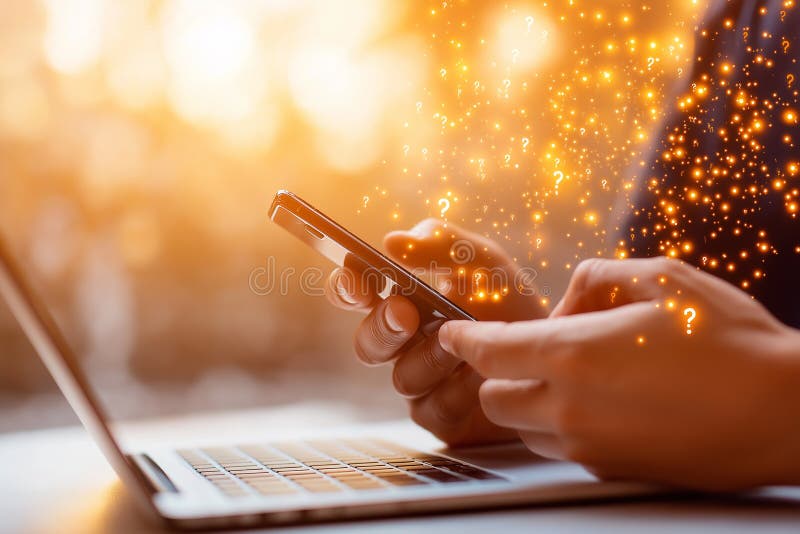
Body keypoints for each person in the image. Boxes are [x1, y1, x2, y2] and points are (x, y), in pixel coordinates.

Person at [325, 0, 800, 491]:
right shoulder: (744, 19)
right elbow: (651, 326)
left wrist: (777, 405)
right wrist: (544, 374)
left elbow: (718, 383)